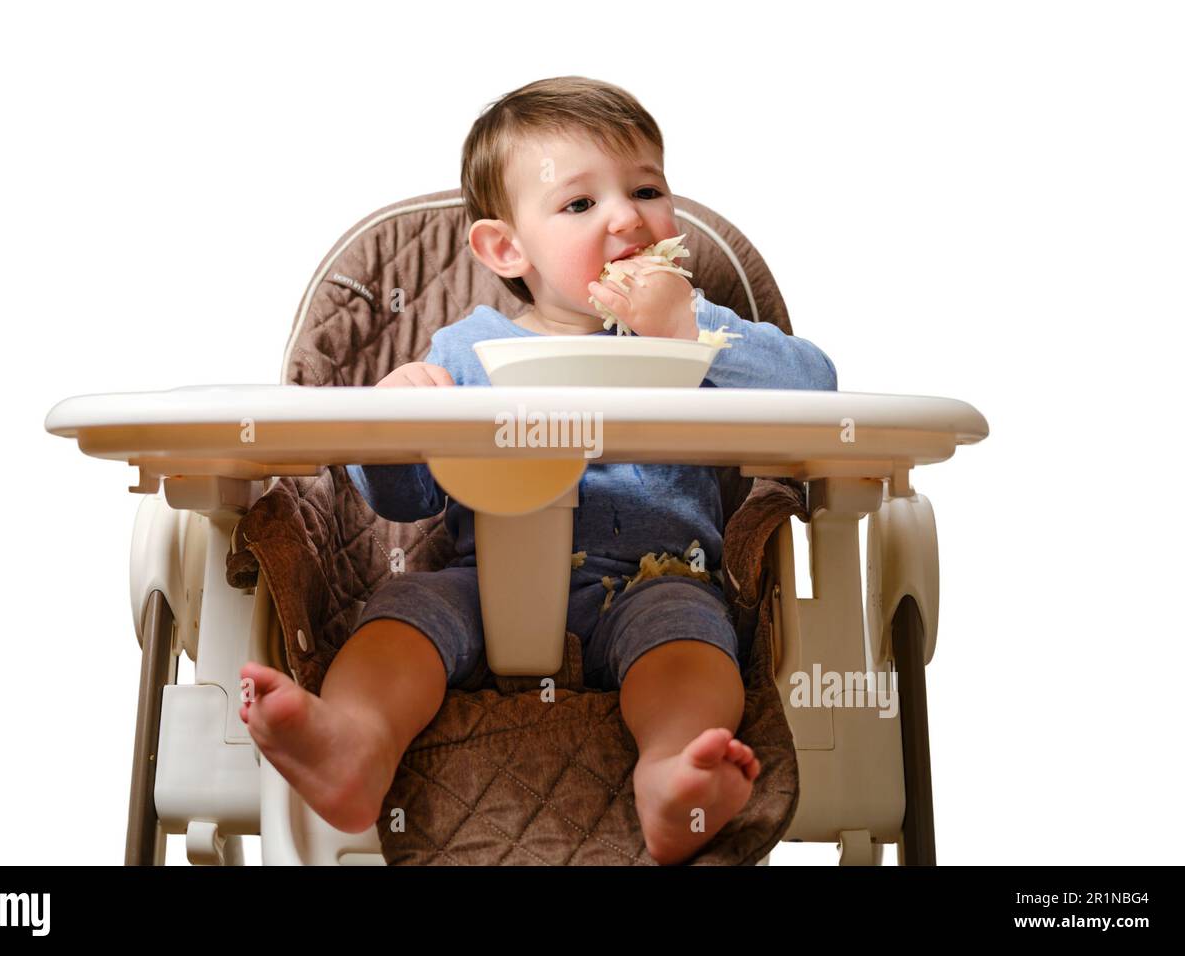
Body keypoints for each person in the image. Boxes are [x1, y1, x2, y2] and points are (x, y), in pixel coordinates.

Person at [240, 76, 837, 865]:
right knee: (399, 619)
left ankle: (672, 779)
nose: (629, 216)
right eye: (580, 203)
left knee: (691, 650)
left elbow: (814, 393)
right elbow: (404, 498)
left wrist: (685, 328)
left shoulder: (698, 333)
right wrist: (394, 421)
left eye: (647, 188)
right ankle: (353, 748)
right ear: (505, 248)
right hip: (484, 580)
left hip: (658, 579)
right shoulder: (470, 349)